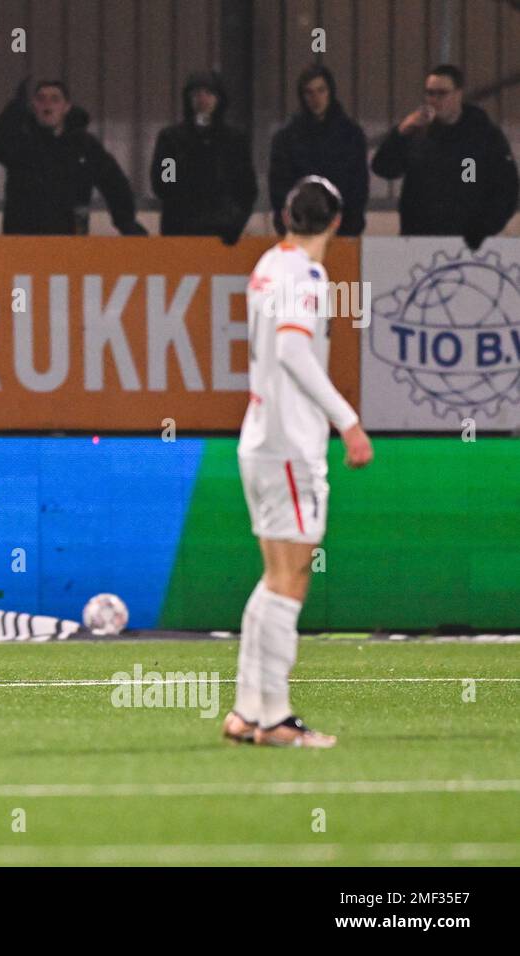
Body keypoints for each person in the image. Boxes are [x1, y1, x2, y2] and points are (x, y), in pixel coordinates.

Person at [225, 176, 373, 749]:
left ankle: (247, 710)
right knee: (292, 577)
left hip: (261, 437)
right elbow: (291, 349)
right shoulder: (307, 276)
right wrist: (347, 419)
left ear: (285, 217)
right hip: (290, 444)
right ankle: (277, 718)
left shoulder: (268, 264)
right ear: (337, 222)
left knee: (273, 576)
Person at [371, 64, 519, 248]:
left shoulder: (484, 136)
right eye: (430, 93)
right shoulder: (418, 133)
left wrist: (482, 230)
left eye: (441, 93)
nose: (434, 100)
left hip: (467, 242)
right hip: (418, 239)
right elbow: (384, 168)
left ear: (458, 94)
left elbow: (507, 190)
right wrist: (400, 133)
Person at [0, 78, 145, 236]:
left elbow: (114, 184)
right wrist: (15, 107)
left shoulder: (85, 145)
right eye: (41, 99)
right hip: (23, 239)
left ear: (66, 107)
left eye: (55, 99)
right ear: (34, 106)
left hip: (70, 239)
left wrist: (125, 222)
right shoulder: (22, 144)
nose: (47, 104)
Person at [149, 71, 257, 243]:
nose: (202, 100)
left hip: (224, 233)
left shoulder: (235, 141)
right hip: (180, 231)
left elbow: (246, 188)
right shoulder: (171, 139)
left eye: (209, 94)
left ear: (219, 99)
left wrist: (235, 222)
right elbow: (163, 183)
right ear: (188, 99)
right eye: (197, 94)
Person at [268, 65, 369, 236]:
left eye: (321, 90)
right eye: (309, 92)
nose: (316, 98)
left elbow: (358, 185)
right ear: (302, 96)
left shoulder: (351, 135)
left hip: (341, 230)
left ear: (330, 92)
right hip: (299, 230)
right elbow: (279, 186)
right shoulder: (287, 137)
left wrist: (349, 223)